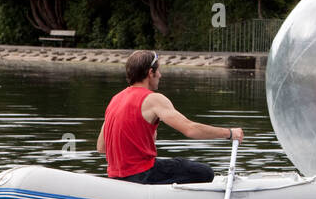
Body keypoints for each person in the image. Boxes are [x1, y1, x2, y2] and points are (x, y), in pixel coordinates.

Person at [96, 50, 243, 184]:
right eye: (158, 70)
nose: (160, 75)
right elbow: (190, 129)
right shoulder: (154, 99)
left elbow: (101, 147)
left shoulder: (115, 100)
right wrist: (230, 133)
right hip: (143, 175)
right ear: (150, 72)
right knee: (205, 172)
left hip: (115, 177)